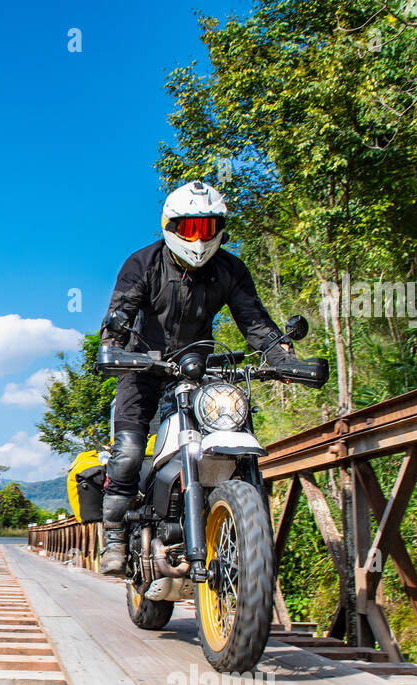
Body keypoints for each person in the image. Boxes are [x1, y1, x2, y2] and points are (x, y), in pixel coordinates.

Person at [97, 179, 314, 575]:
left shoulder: (230, 269)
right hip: (143, 369)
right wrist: (113, 347)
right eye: (190, 228)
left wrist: (285, 358)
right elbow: (121, 313)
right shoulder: (142, 263)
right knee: (128, 452)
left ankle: (243, 534)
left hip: (199, 370)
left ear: (219, 230)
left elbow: (256, 324)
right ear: (171, 226)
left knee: (229, 432)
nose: (199, 239)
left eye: (207, 228)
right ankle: (113, 535)